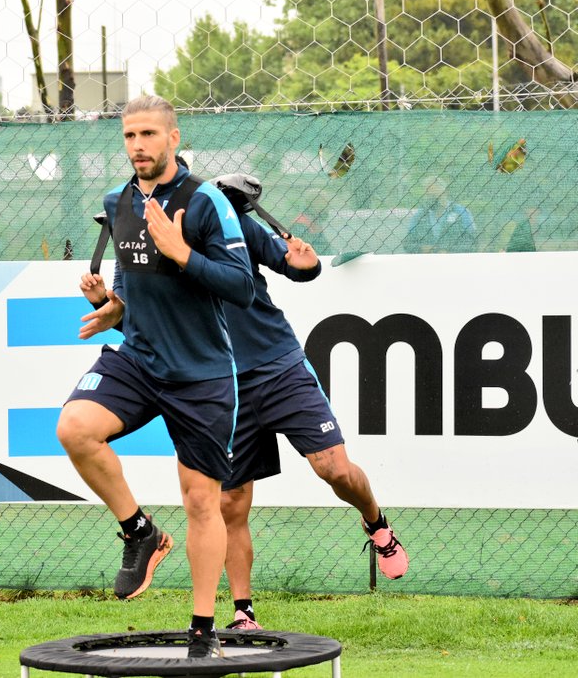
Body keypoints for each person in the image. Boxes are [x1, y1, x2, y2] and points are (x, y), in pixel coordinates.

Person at [81, 175, 409, 632]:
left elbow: (292, 263)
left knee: (333, 468)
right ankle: (243, 613)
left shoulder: (225, 219)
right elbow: (141, 327)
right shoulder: (142, 242)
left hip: (277, 367)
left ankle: (376, 524)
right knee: (231, 504)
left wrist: (306, 265)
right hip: (219, 383)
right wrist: (108, 306)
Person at [57, 95, 256, 658]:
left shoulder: (207, 201)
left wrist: (181, 251)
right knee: (75, 428)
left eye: (148, 134)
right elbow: (136, 279)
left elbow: (241, 286)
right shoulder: (117, 200)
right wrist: (114, 306)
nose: (138, 145)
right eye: (129, 136)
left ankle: (202, 628)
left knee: (201, 502)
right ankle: (141, 532)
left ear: (173, 137)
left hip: (201, 373)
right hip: (138, 357)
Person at [402, 177, 477, 253]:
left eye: (434, 194)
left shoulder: (460, 211)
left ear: (445, 192)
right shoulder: (419, 215)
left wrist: (449, 251)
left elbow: (471, 240)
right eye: (428, 195)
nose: (431, 198)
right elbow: (408, 243)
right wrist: (422, 248)